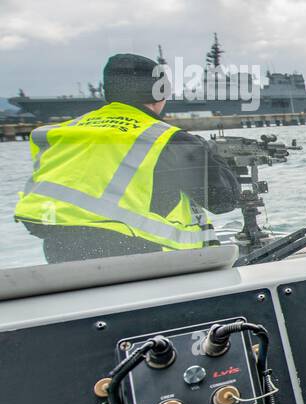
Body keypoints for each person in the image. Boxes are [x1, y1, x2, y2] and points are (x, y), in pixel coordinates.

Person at [15, 53, 240, 263]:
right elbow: (223, 201)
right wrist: (220, 164)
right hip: (141, 258)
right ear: (159, 93)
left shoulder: (60, 132)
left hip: (60, 254)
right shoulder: (168, 140)